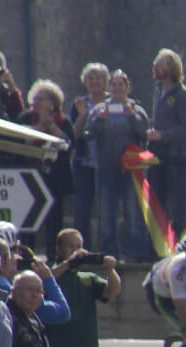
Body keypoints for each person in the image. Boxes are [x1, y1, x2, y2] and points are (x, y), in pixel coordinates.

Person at [83, 70, 150, 263]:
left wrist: (132, 117)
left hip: (131, 170)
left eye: (122, 85)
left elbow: (144, 134)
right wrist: (99, 120)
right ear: (109, 88)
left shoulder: (137, 110)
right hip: (105, 169)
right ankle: (108, 252)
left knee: (132, 211)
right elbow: (89, 134)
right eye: (114, 85)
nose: (118, 88)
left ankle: (135, 253)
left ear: (128, 88)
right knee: (106, 213)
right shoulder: (98, 110)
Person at [19, 81, 74, 255]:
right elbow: (18, 138)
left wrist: (52, 128)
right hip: (30, 177)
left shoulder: (64, 122)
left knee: (54, 220)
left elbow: (69, 144)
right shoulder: (25, 118)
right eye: (35, 99)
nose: (37, 102)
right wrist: (38, 128)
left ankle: (53, 255)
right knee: (30, 220)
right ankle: (27, 255)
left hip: (55, 178)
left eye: (41, 99)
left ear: (52, 102)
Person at [147, 50, 186, 237]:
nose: (155, 68)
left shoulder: (183, 95)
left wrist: (163, 135)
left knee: (179, 203)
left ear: (170, 67)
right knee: (158, 202)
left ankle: (182, 240)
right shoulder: (158, 92)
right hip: (158, 156)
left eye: (158, 65)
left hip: (176, 157)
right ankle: (159, 244)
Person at [68, 63, 111, 249]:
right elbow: (73, 134)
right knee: (82, 210)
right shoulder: (79, 105)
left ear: (105, 82)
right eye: (91, 79)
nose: (95, 82)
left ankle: (106, 249)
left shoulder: (114, 103)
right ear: (85, 82)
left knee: (107, 209)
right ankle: (81, 249)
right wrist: (83, 115)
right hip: (84, 162)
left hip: (107, 163)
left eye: (98, 78)